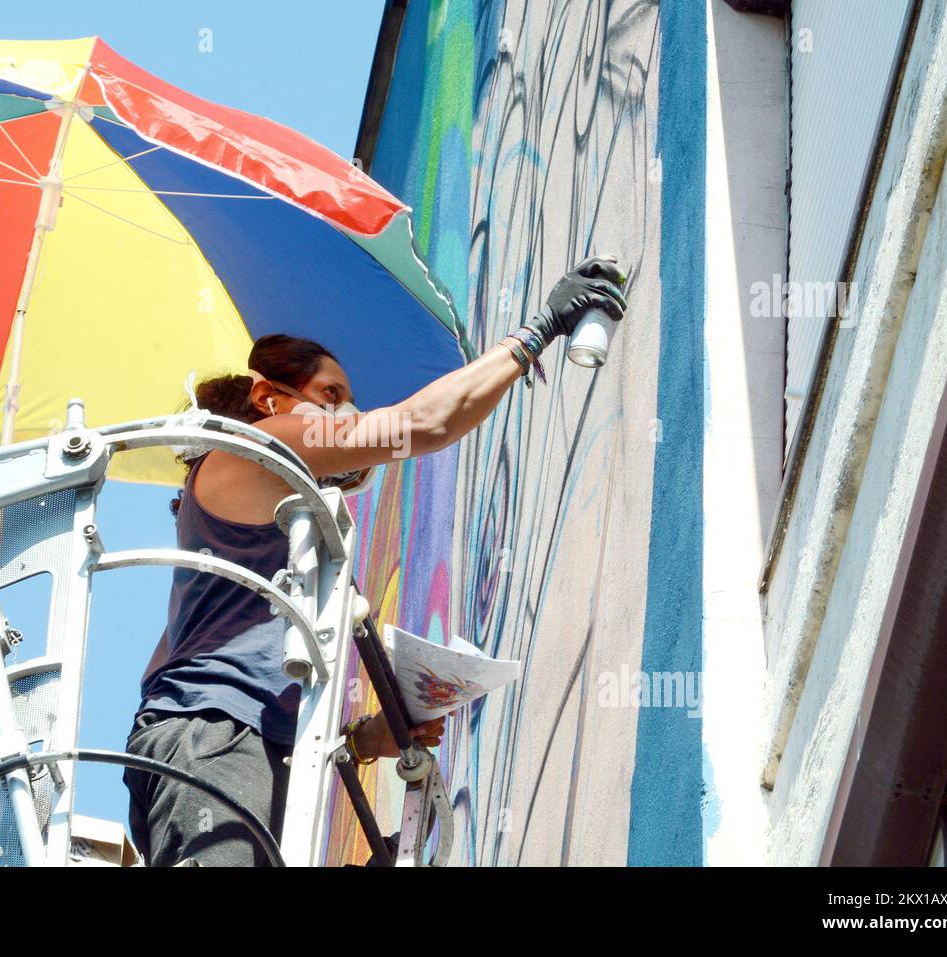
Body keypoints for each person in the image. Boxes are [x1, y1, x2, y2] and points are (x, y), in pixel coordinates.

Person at [122, 255, 628, 866]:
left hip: (227, 747)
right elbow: (425, 422)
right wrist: (542, 327)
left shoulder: (282, 534)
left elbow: (206, 673)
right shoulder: (260, 447)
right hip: (213, 743)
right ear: (266, 397)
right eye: (330, 395)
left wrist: (366, 739)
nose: (345, 414)